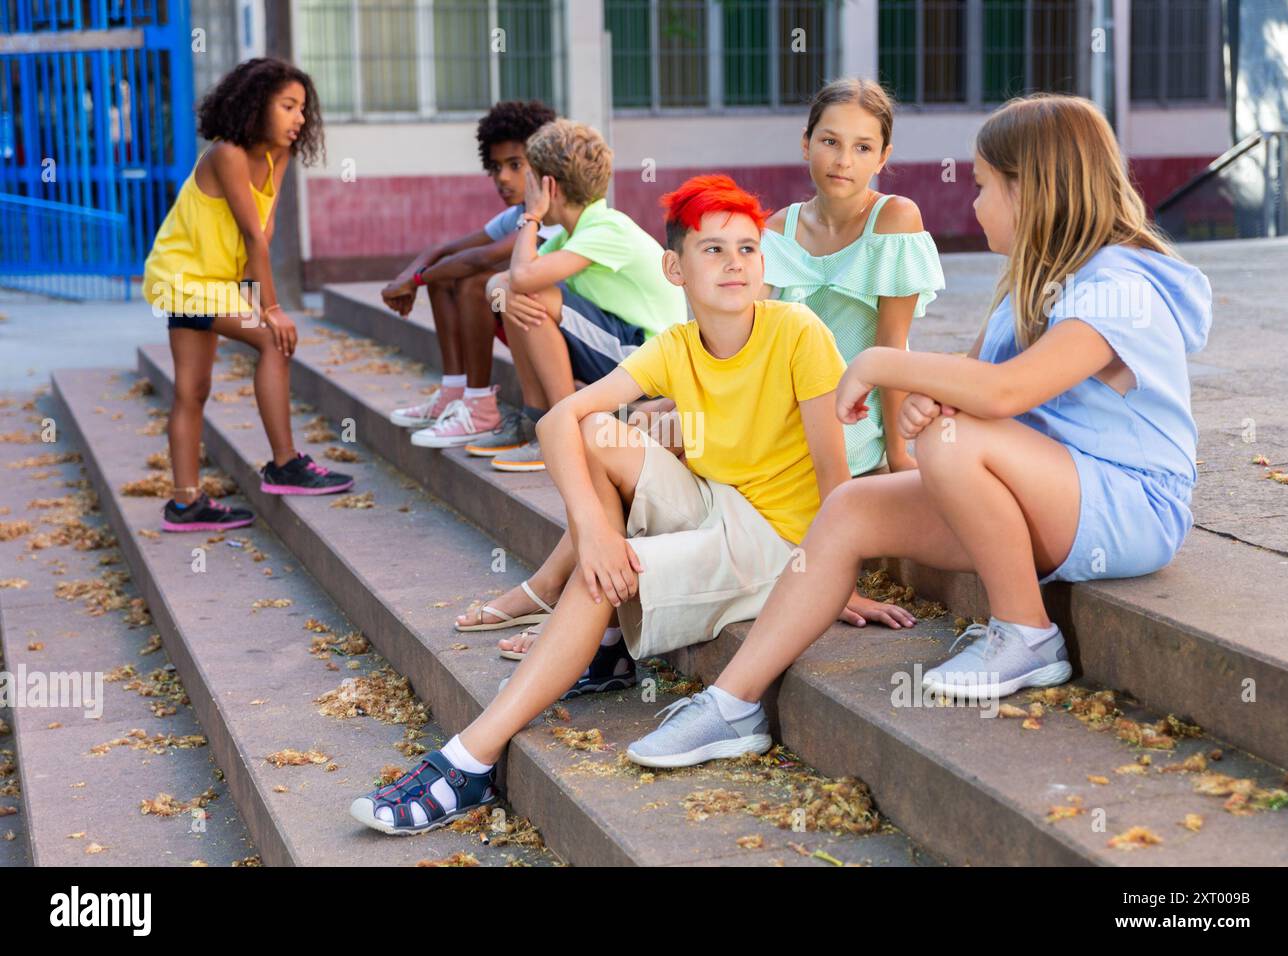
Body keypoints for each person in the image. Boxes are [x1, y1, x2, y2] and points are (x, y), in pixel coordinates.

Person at [625, 94, 1213, 768]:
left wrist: (886, 367)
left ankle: (1026, 632)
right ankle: (731, 705)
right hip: (1052, 498)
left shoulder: (1119, 285)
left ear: (1034, 190)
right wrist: (931, 402)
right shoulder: (1039, 280)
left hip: (1130, 510)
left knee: (950, 442)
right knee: (848, 509)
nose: (974, 204)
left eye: (986, 187)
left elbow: (1008, 391)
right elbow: (981, 380)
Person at [349, 174, 911, 835]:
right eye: (713, 249)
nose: (735, 262)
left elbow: (834, 478)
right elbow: (561, 419)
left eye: (748, 248)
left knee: (600, 580)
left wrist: (825, 578)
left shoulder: (797, 333)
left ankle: (469, 760)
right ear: (674, 267)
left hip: (772, 544)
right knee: (597, 434)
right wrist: (593, 530)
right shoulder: (676, 345)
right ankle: (608, 643)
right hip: (714, 505)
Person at [144, 57, 352, 534]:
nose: (300, 118)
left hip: (215, 281)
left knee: (192, 391)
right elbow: (254, 239)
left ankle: (185, 504)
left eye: (303, 108)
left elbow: (265, 229)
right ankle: (284, 464)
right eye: (288, 106)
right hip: (185, 278)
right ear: (258, 105)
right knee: (272, 339)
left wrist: (254, 294)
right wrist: (271, 309)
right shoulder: (228, 154)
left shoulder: (276, 157)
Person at [762, 77, 944, 479]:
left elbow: (891, 348)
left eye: (863, 148)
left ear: (882, 158)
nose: (844, 160)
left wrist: (898, 456)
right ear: (806, 143)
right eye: (830, 142)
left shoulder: (896, 220)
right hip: (784, 416)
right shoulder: (776, 231)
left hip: (855, 425)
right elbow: (753, 342)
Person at [482, 119, 687, 473]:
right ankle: (537, 421)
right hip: (621, 356)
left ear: (549, 187)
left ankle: (561, 435)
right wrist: (499, 288)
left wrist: (530, 216)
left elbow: (522, 275)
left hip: (650, 363)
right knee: (519, 294)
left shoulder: (609, 228)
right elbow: (503, 281)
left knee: (530, 292)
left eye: (530, 177)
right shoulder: (570, 236)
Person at [383, 101, 559, 453]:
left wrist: (415, 282)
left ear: (542, 164)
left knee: (474, 281)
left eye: (515, 165)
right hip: (533, 326)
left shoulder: (551, 215)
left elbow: (479, 258)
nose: (503, 178)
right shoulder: (517, 214)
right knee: (447, 277)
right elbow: (446, 250)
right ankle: (455, 391)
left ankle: (480, 407)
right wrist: (409, 275)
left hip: (564, 339)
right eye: (495, 168)